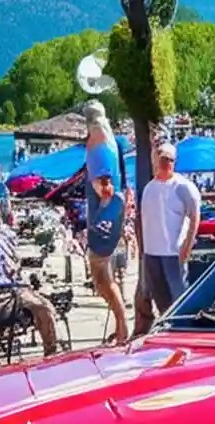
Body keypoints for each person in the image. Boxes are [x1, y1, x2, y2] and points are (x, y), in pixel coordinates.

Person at [0, 228, 59, 358]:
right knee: (41, 307)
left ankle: (51, 347)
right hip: (3, 296)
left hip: (8, 292)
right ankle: (50, 348)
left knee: (42, 305)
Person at [82, 101, 129, 344]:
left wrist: (99, 192)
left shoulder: (99, 145)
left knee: (101, 276)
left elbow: (106, 186)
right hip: (110, 216)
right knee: (104, 275)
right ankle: (120, 324)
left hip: (103, 218)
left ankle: (122, 325)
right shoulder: (110, 143)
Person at [140, 142, 201, 315]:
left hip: (173, 253)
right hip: (152, 253)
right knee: (161, 300)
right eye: (162, 159)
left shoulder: (184, 187)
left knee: (179, 299)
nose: (165, 163)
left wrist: (186, 247)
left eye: (169, 159)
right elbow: (142, 219)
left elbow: (195, 217)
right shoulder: (149, 188)